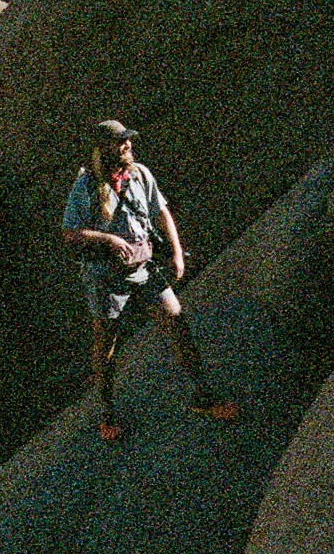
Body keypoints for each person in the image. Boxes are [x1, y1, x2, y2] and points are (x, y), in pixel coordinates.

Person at [61, 119, 236, 442]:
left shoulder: (140, 174)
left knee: (177, 322)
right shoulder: (85, 186)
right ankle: (107, 411)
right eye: (120, 142)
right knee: (107, 344)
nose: (127, 145)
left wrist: (177, 253)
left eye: (128, 140)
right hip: (106, 278)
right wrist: (109, 240)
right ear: (103, 148)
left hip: (145, 268)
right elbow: (71, 233)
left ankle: (204, 397)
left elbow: (161, 212)